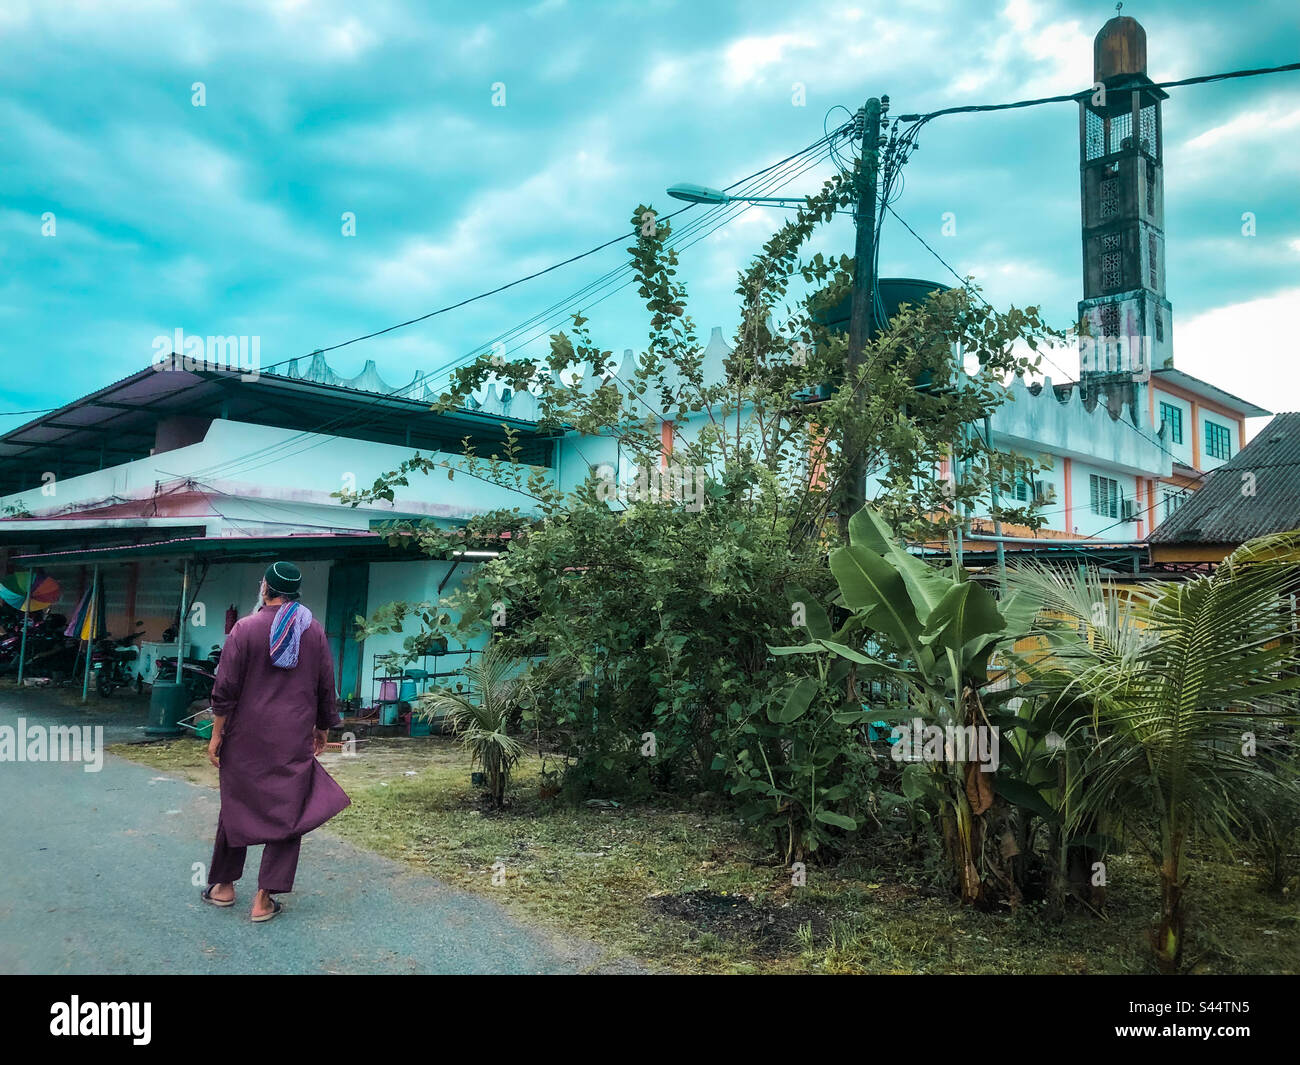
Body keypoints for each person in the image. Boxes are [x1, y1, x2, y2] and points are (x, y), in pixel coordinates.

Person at [201, 561, 350, 922]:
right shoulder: (311, 631)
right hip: (291, 737)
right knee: (289, 812)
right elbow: (325, 685)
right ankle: (264, 899)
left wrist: (217, 736)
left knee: (236, 804)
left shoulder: (245, 629)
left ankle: (223, 886)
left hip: (245, 737)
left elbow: (225, 690)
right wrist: (323, 727)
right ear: (294, 593)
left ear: (265, 588)